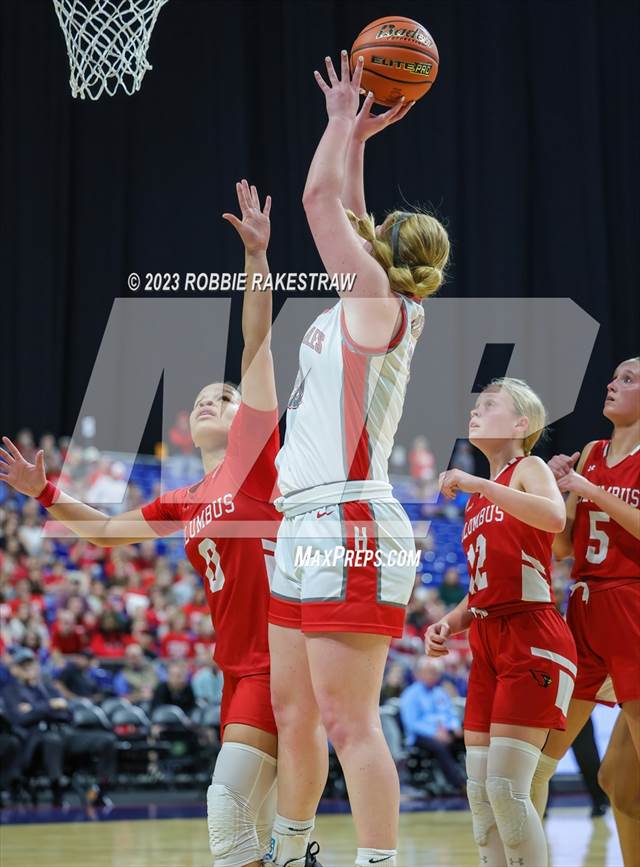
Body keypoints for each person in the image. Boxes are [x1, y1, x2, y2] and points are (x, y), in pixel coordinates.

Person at [0, 181, 280, 867]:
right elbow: (100, 531)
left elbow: (254, 341)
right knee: (264, 829)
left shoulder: (257, 457)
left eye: (227, 395)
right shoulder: (184, 497)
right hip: (238, 665)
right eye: (205, 398)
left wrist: (255, 259)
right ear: (187, 427)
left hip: (284, 661)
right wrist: (47, 492)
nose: (216, 399)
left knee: (229, 809)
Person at [267, 51, 449, 867]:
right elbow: (351, 207)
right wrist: (365, 140)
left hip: (349, 519)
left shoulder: (376, 303)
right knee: (296, 713)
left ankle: (378, 862)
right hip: (307, 518)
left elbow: (317, 200)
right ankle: (294, 846)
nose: (360, 230)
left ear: (383, 256)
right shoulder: (372, 294)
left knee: (350, 722)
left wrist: (341, 117)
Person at [426, 377, 577, 867]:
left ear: (521, 424)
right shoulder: (477, 501)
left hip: (534, 634)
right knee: (482, 797)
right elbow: (484, 589)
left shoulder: (528, 468)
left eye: (489, 405)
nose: (475, 412)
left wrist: (476, 482)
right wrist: (449, 622)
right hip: (488, 640)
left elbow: (555, 519)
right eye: (474, 405)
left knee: (508, 791)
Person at [529, 357, 640, 864]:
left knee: (622, 777)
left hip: (633, 607)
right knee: (553, 767)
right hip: (586, 609)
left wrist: (592, 491)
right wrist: (558, 492)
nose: (612, 385)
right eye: (615, 377)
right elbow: (562, 550)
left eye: (628, 380)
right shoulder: (593, 450)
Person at [1, 647, 117, 806]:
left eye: (31, 664)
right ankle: (58, 794)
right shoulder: (10, 691)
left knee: (107, 740)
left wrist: (35, 708)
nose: (29, 668)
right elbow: (19, 719)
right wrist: (51, 706)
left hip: (64, 732)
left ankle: (100, 790)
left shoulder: (48, 687)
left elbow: (68, 714)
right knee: (52, 741)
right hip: (36, 739)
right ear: (14, 670)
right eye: (23, 665)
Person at [399, 657, 465, 792]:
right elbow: (412, 723)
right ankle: (459, 784)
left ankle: (474, 778)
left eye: (435, 672)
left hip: (444, 731)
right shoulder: (411, 694)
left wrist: (454, 726)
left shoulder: (440, 692)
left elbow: (450, 714)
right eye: (429, 672)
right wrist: (434, 732)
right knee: (439, 746)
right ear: (418, 674)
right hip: (420, 735)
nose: (433, 675)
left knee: (468, 739)